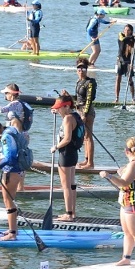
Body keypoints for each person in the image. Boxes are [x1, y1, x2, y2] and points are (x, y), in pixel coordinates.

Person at [100, 137, 135, 269]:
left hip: (134, 202)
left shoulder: (134, 165)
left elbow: (123, 183)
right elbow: (128, 177)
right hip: (125, 201)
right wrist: (121, 172)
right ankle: (126, 258)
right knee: (127, 232)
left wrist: (108, 176)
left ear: (126, 151)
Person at [0, 113, 25, 241]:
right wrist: (0, 152)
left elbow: (10, 157)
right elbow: (13, 149)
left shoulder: (5, 137)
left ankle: (12, 233)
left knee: (8, 201)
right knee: (9, 201)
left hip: (12, 171)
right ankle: (12, 229)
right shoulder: (10, 130)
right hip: (17, 169)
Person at [49, 93, 84, 222]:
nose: (57, 110)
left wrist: (56, 147)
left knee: (66, 186)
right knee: (72, 184)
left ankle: (68, 214)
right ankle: (73, 212)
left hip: (65, 154)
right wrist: (57, 112)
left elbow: (67, 138)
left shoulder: (68, 119)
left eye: (59, 108)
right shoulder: (75, 115)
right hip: (73, 153)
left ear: (67, 106)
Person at [74, 57, 97, 168]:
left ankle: (90, 163)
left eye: (83, 68)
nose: (81, 71)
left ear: (86, 70)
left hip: (87, 112)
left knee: (88, 136)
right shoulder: (78, 82)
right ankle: (86, 159)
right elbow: (77, 98)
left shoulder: (90, 82)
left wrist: (84, 114)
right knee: (84, 137)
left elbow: (89, 99)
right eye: (79, 69)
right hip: (79, 111)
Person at [115, 24, 135, 103]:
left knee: (130, 80)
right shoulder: (120, 35)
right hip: (120, 60)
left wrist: (132, 64)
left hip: (128, 62)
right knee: (118, 78)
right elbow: (123, 40)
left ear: (131, 31)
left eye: (128, 30)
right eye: (125, 30)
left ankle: (133, 99)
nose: (126, 31)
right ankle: (117, 98)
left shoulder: (132, 41)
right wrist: (133, 36)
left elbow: (133, 53)